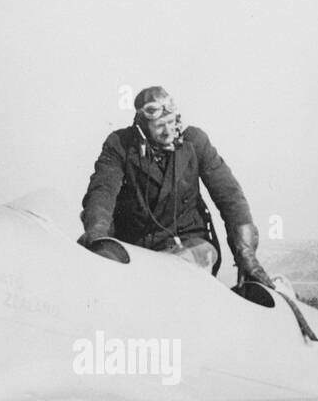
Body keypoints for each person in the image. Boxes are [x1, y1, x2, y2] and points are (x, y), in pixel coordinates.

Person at [78, 86, 274, 287]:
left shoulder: (196, 142)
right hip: (137, 249)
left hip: (192, 244)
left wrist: (246, 254)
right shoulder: (119, 144)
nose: (168, 131)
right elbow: (102, 191)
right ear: (142, 127)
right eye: (160, 125)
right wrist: (97, 234)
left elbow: (230, 196)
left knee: (175, 277)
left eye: (171, 122)